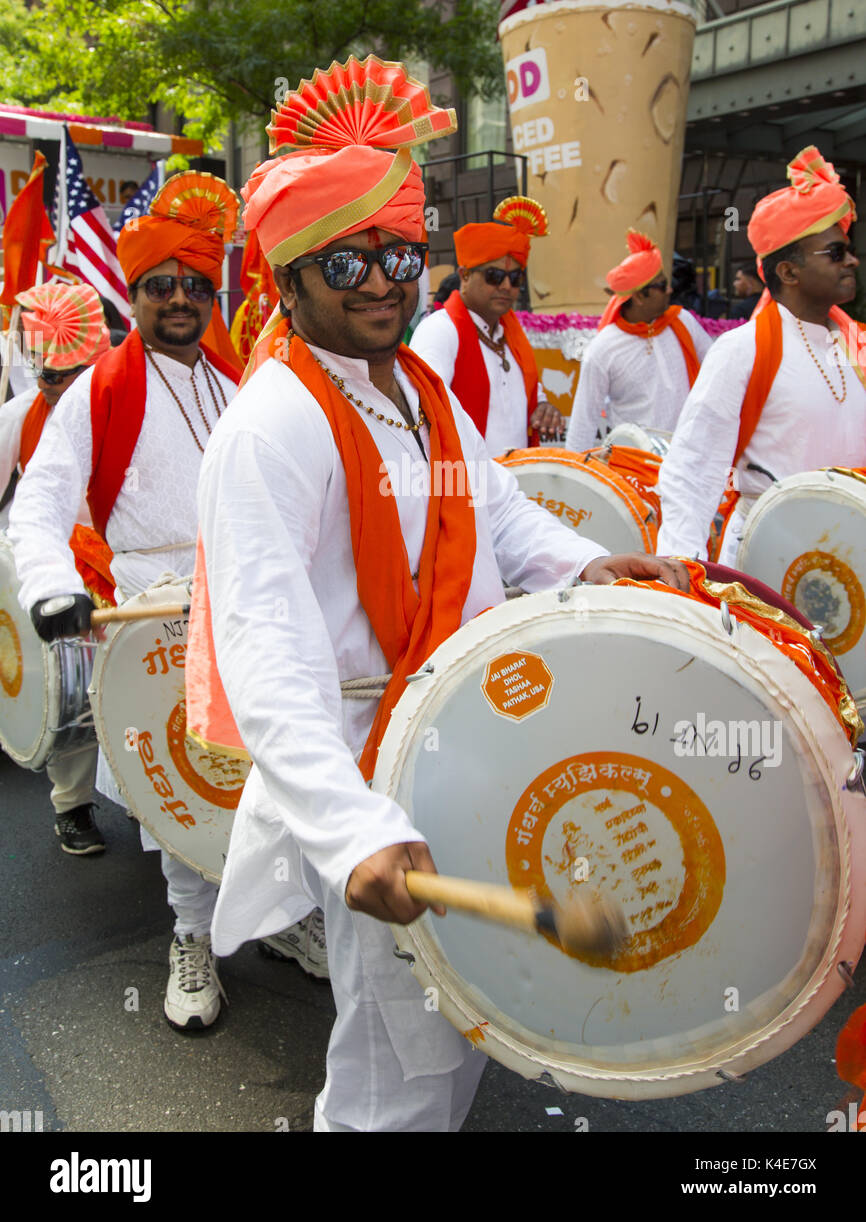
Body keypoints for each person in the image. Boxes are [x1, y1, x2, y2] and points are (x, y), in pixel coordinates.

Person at [184, 55, 690, 1132]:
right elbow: (264, 644)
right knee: (398, 1055)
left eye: (398, 255)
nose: (381, 283)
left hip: (462, 731)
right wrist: (347, 822)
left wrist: (583, 564)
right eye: (347, 262)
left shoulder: (409, 386)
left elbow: (493, 509)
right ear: (286, 277)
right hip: (368, 763)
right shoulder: (270, 425)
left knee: (457, 1017)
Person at [8, 173, 247, 1031]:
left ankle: (286, 920)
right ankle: (191, 937)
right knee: (182, 785)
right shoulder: (97, 392)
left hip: (250, 609)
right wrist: (52, 586)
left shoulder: (243, 384)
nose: (179, 299)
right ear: (134, 293)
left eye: (195, 284)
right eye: (160, 286)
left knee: (267, 778)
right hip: (154, 619)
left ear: (213, 293)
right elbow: (36, 508)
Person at [656, 147, 866, 566]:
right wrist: (684, 569)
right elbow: (692, 471)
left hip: (852, 556)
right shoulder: (743, 349)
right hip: (768, 557)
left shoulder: (857, 344)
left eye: (847, 250)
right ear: (789, 272)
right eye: (836, 253)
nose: (852, 260)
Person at [0, 280, 112, 854]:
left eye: (74, 373)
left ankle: (150, 801)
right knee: (70, 698)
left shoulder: (117, 401)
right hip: (53, 578)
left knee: (132, 692)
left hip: (120, 577)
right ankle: (72, 806)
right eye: (50, 376)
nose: (63, 388)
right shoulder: (17, 419)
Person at [409, 198, 563, 455]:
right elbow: (427, 412)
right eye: (494, 276)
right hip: (467, 486)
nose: (506, 286)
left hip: (515, 486)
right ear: (465, 276)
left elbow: (532, 394)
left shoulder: (510, 335)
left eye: (515, 278)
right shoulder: (439, 331)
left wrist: (543, 407)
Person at [565, 231, 712, 452]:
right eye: (662, 286)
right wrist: (573, 474)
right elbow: (583, 420)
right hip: (635, 462)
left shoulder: (682, 321)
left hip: (688, 454)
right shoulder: (604, 349)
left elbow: (715, 369)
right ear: (639, 296)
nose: (670, 290)